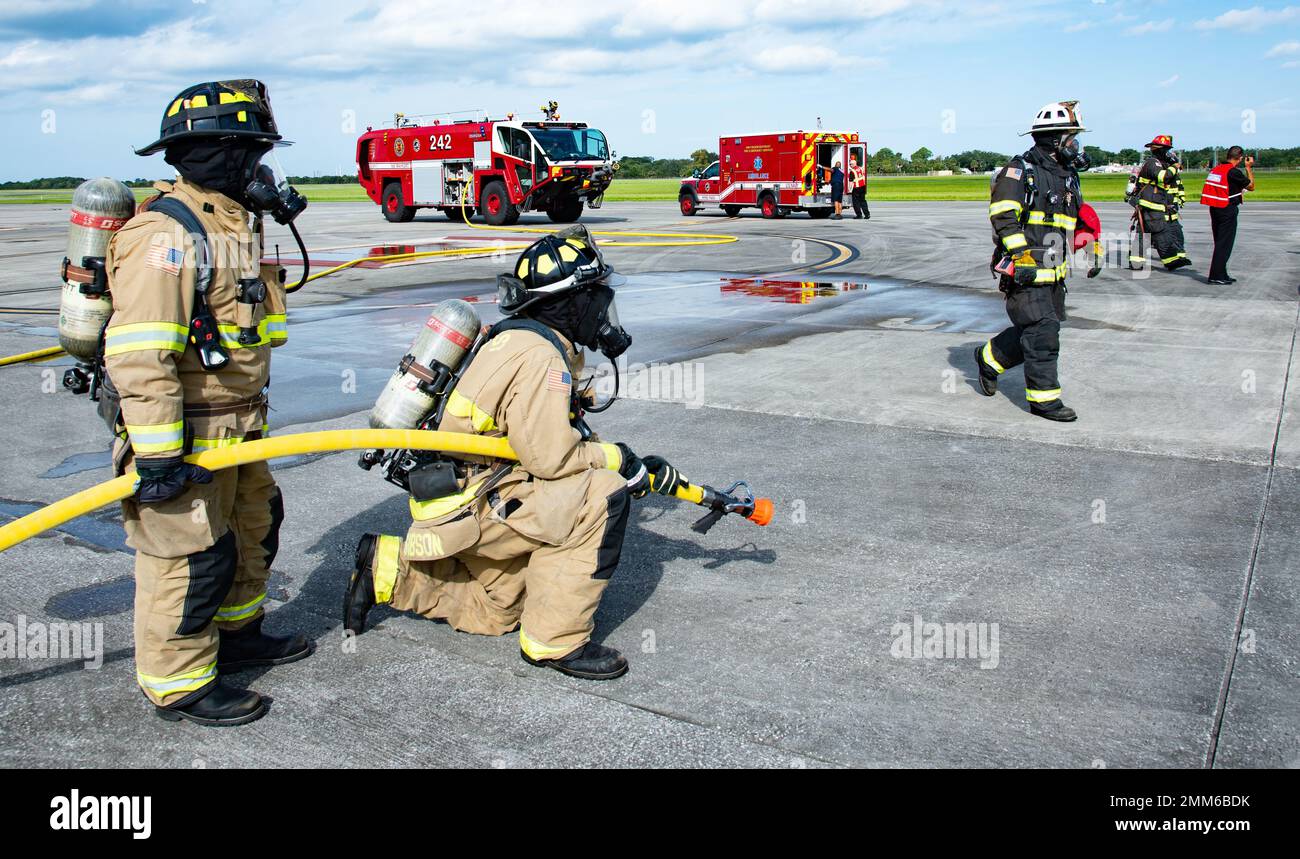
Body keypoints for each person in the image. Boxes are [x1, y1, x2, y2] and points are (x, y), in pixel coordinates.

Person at [343, 226, 684, 681]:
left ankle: (384, 571)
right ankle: (554, 643)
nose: (604, 308)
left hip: (462, 494)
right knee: (602, 495)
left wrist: (622, 457)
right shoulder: (539, 359)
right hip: (476, 504)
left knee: (500, 611)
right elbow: (552, 460)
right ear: (573, 302)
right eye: (597, 296)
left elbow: (547, 440)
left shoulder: (520, 338)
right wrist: (619, 461)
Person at [103, 80, 311, 726]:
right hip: (187, 439)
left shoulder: (230, 221)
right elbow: (141, 355)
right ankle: (180, 679)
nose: (259, 166)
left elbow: (250, 328)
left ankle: (238, 636)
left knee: (253, 529)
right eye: (250, 152)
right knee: (188, 557)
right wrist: (160, 457)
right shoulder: (166, 233)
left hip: (242, 426)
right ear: (217, 152)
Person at [974, 100, 1102, 423]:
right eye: (1071, 137)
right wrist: (1021, 255)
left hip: (1054, 273)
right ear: (1053, 139)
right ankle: (1044, 400)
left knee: (1034, 330)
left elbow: (1076, 217)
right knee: (1043, 333)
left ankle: (989, 359)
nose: (1076, 144)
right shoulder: (1019, 172)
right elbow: (1002, 216)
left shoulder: (1067, 175)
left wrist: (1090, 246)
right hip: (1025, 272)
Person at [1133, 134, 1190, 271]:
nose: (1167, 153)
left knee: (1144, 233)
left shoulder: (1159, 163)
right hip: (1151, 205)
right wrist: (1174, 166)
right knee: (1161, 231)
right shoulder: (1153, 163)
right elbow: (1163, 178)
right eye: (1165, 150)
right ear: (1159, 150)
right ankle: (1171, 260)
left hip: (1151, 204)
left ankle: (1136, 262)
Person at [1205, 146, 1255, 285]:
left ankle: (1222, 273)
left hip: (1215, 207)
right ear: (1239, 158)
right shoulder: (1233, 171)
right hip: (1227, 209)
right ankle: (1215, 275)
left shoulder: (1216, 169)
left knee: (1220, 241)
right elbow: (1251, 186)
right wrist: (1249, 168)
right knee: (1224, 243)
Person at [849, 155, 870, 219]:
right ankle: (867, 214)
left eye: (850, 164)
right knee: (863, 201)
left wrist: (850, 189)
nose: (850, 165)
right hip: (863, 187)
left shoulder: (852, 171)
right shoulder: (861, 168)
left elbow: (851, 181)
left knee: (856, 202)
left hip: (856, 188)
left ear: (853, 164)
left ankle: (859, 215)